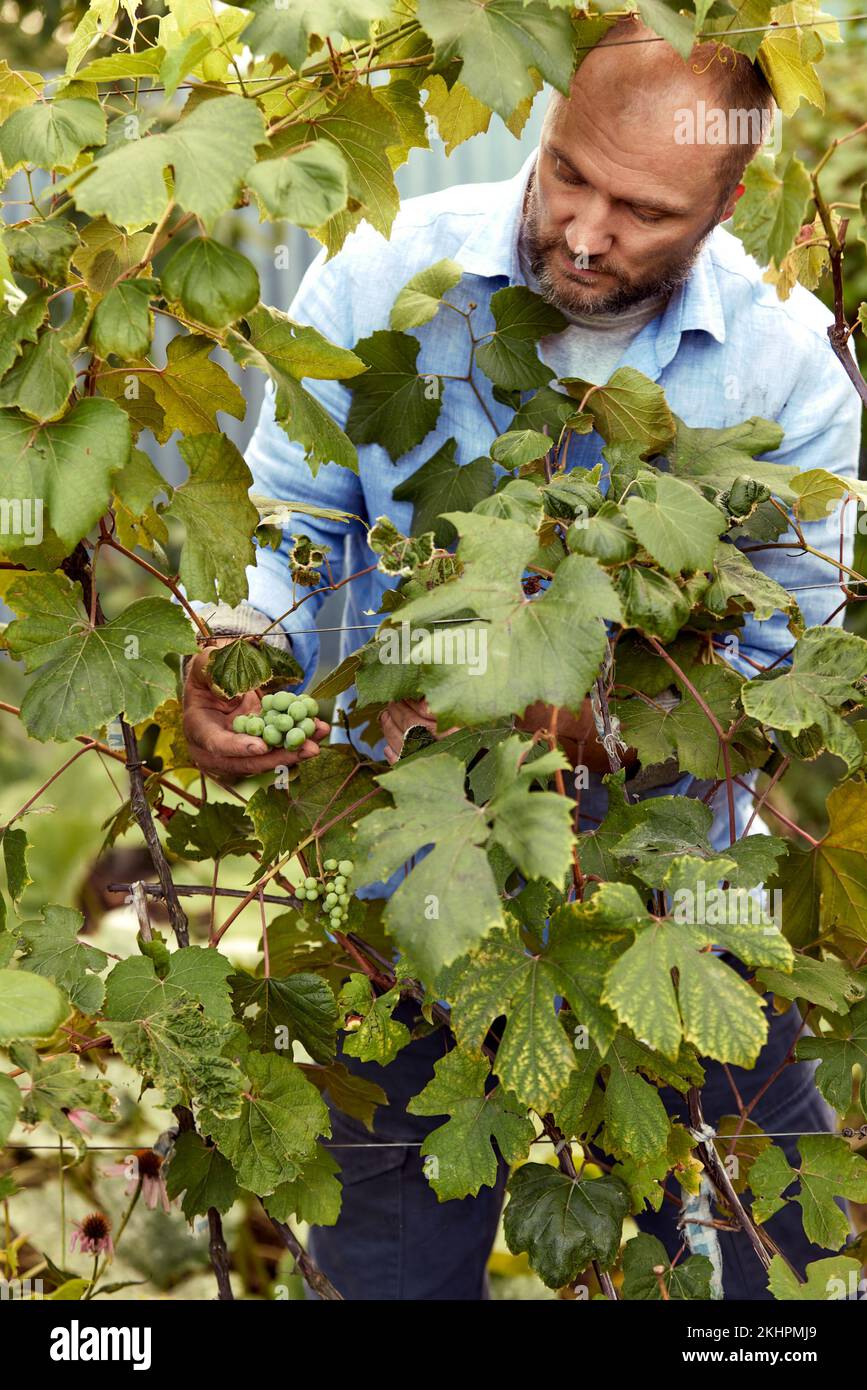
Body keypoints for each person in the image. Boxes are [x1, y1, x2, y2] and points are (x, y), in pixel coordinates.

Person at [182, 18, 860, 1299]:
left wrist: (590, 724)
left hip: (677, 894)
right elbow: (292, 523)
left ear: (730, 198)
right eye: (569, 175)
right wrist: (237, 654)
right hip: (411, 868)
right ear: (547, 126)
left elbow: (788, 665)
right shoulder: (385, 276)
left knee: (780, 1266)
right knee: (390, 1273)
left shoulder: (792, 368)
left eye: (645, 208)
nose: (588, 232)